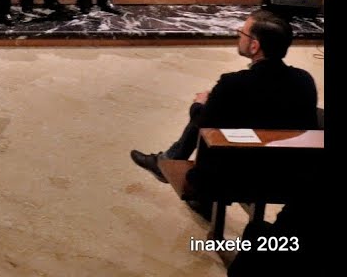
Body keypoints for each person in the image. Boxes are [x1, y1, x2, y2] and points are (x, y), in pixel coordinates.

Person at [129, 10, 319, 197]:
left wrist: (199, 105)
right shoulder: (304, 80)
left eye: (242, 33)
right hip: (290, 177)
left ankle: (168, 162)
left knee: (209, 118)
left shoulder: (233, 83)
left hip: (233, 177)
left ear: (254, 46)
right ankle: (168, 161)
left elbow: (204, 126)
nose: (238, 35)